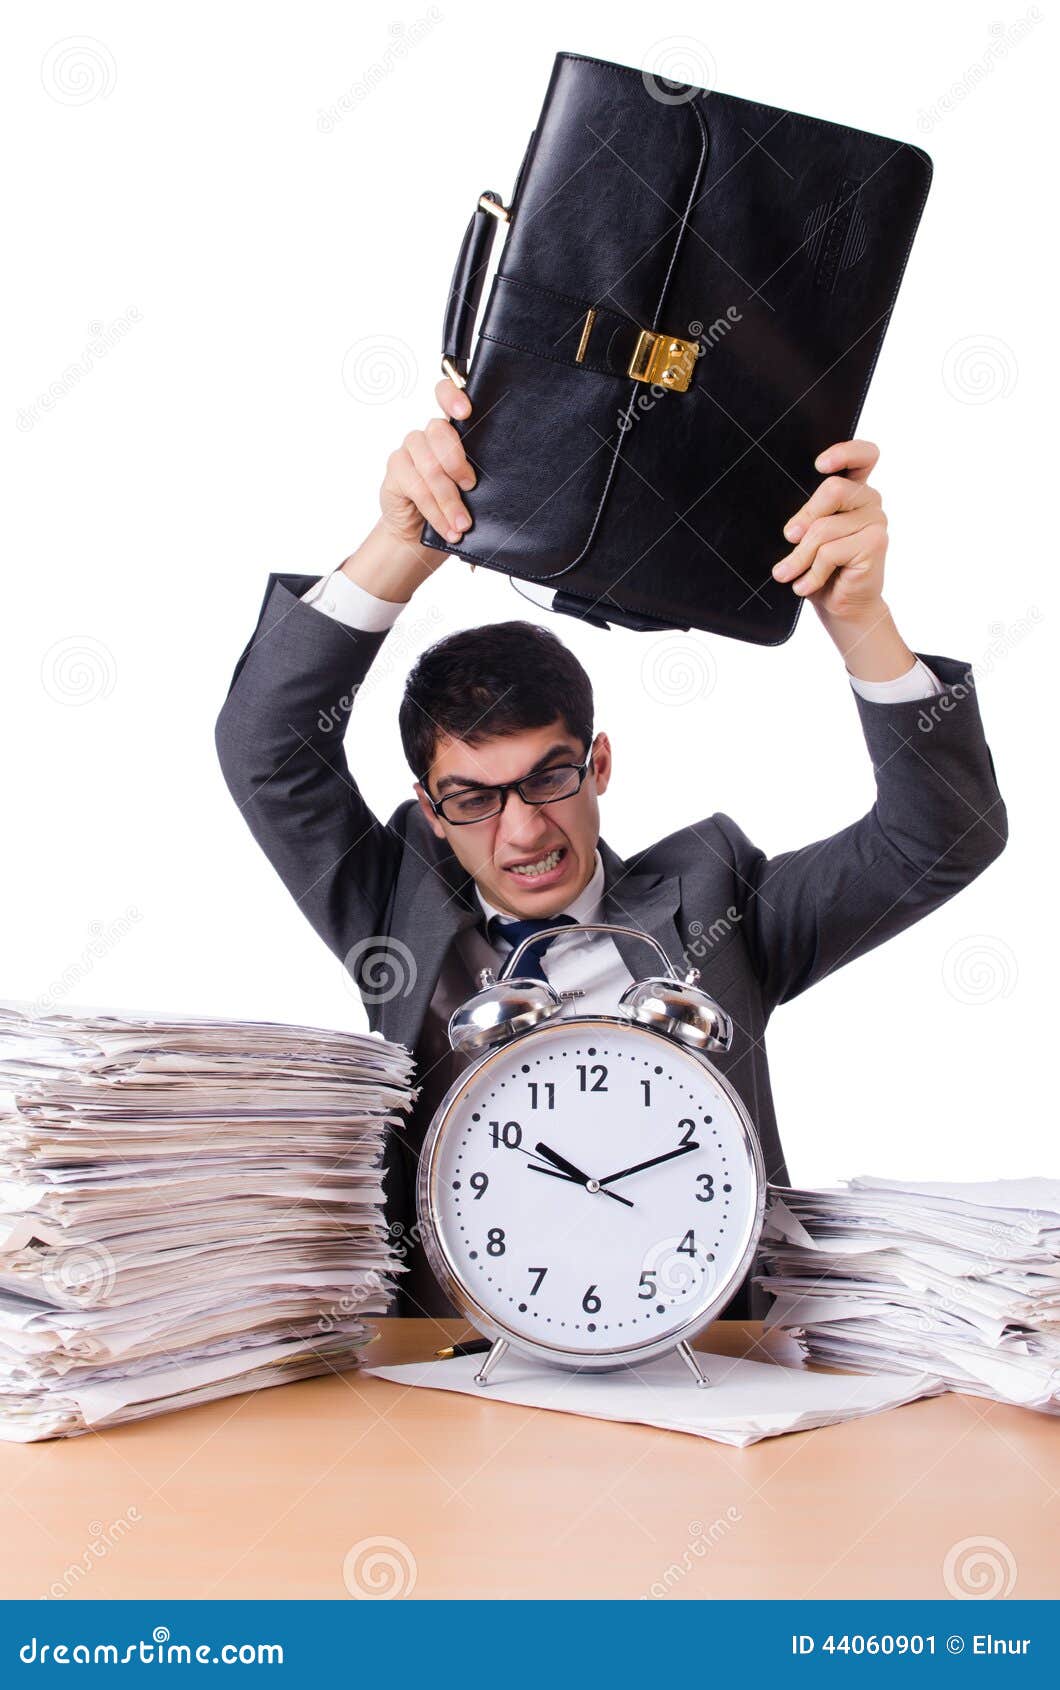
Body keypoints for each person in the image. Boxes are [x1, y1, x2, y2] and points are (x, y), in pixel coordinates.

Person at [214, 376, 1007, 1322]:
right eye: (474, 797)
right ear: (429, 809)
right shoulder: (393, 907)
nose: (523, 831)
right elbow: (265, 744)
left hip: (706, 1366)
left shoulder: (719, 899)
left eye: (549, 779)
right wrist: (403, 540)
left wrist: (861, 622)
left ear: (598, 764)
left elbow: (942, 836)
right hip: (447, 1376)